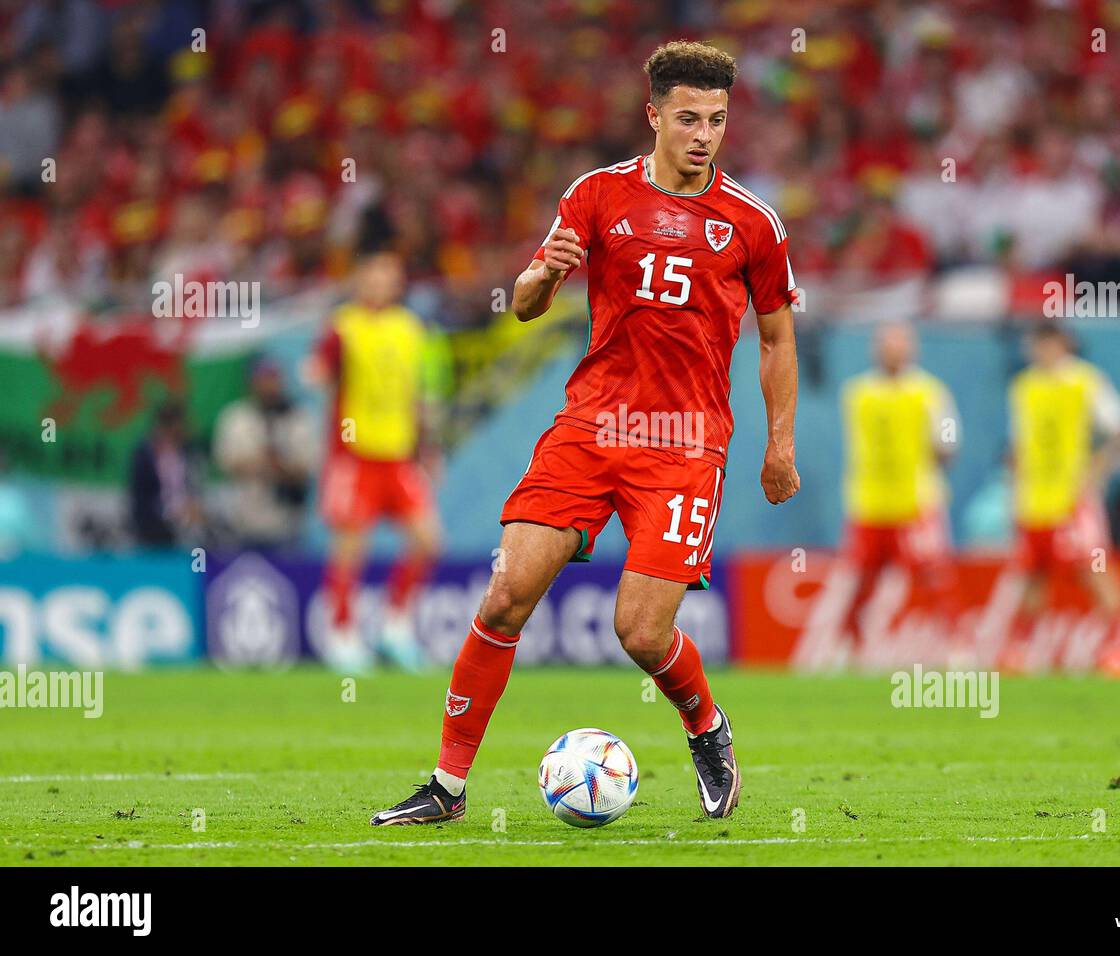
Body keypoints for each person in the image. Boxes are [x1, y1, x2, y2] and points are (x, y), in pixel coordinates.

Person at [370, 41, 800, 825]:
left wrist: (780, 443)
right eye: (688, 119)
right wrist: (541, 273)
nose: (704, 134)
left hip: (685, 440)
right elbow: (527, 303)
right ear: (655, 117)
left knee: (639, 631)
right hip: (592, 423)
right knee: (505, 597)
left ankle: (706, 728)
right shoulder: (598, 196)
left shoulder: (753, 223)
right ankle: (448, 787)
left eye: (717, 120)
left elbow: (776, 339)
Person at [305, 249, 451, 673]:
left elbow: (416, 394)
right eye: (373, 273)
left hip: (398, 454)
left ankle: (395, 627)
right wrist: (316, 372)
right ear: (358, 278)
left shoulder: (410, 329)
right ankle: (341, 633)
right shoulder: (343, 326)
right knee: (351, 548)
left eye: (389, 273)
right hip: (355, 453)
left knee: (428, 540)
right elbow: (321, 369)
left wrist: (428, 448)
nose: (380, 281)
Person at [793, 321, 959, 669]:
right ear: (876, 350)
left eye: (899, 345)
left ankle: (953, 647)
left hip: (916, 503)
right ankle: (847, 649)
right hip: (868, 503)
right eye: (888, 345)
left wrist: (936, 452)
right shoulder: (858, 393)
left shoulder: (930, 392)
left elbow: (949, 442)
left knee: (933, 577)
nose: (893, 352)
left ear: (912, 351)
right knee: (859, 582)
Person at [1007, 324, 1120, 649]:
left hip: (1073, 498)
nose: (1042, 350)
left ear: (1063, 345)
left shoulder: (1085, 380)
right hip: (1034, 500)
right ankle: (1021, 649)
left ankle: (1119, 645)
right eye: (1038, 343)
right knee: (1034, 574)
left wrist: (1098, 470)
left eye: (1049, 343)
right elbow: (1020, 445)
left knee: (1094, 567)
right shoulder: (1024, 387)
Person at [212, 355, 317, 551]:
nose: (269, 385)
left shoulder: (298, 418)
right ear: (252, 382)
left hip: (286, 523)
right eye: (263, 379)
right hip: (244, 521)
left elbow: (307, 468)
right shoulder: (236, 418)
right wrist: (261, 463)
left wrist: (280, 466)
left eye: (274, 378)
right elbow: (226, 463)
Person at [128, 399, 204, 548]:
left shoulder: (190, 452)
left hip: (187, 527)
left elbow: (196, 485)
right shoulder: (144, 454)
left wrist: (192, 506)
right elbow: (140, 496)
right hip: (153, 528)